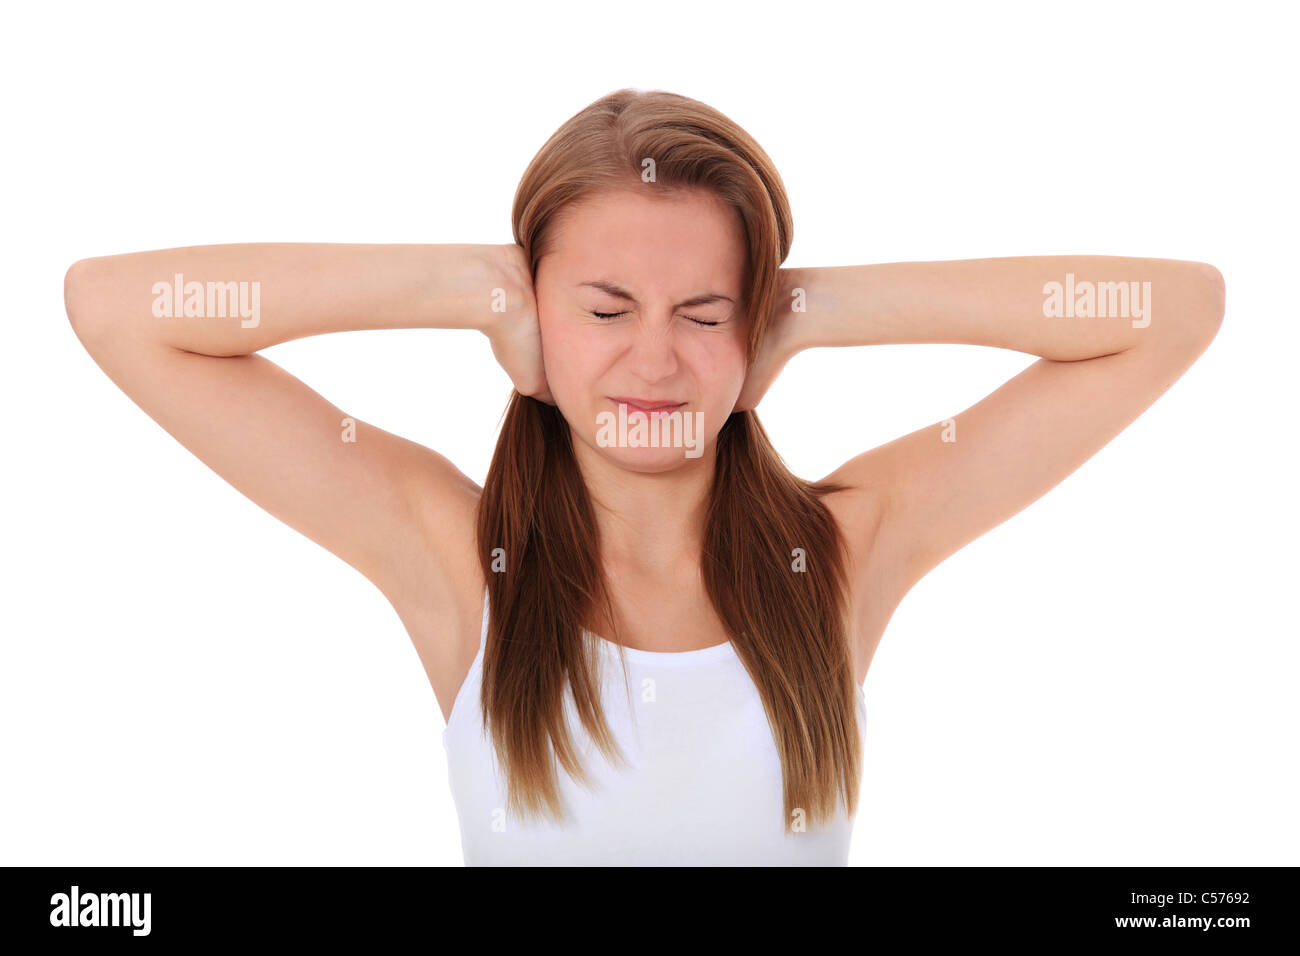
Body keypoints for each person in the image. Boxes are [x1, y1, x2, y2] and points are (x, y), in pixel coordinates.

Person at [63, 88, 1225, 866]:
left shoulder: (848, 550)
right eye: (605, 308)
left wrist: (806, 307)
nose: (656, 360)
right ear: (535, 313)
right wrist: (469, 287)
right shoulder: (455, 561)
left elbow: (1167, 313)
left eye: (703, 311)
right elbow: (120, 311)